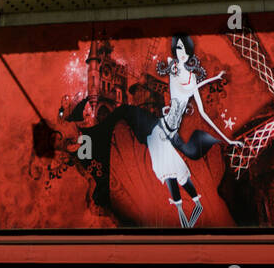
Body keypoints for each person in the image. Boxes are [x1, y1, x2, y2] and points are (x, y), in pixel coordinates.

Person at [84, 34, 240, 228]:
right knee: (168, 170)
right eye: (178, 49)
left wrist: (227, 138)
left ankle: (190, 208)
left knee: (171, 169)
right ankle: (185, 210)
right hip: (163, 128)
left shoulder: (191, 82)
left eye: (184, 49)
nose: (180, 53)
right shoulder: (173, 71)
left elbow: (202, 111)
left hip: (166, 131)